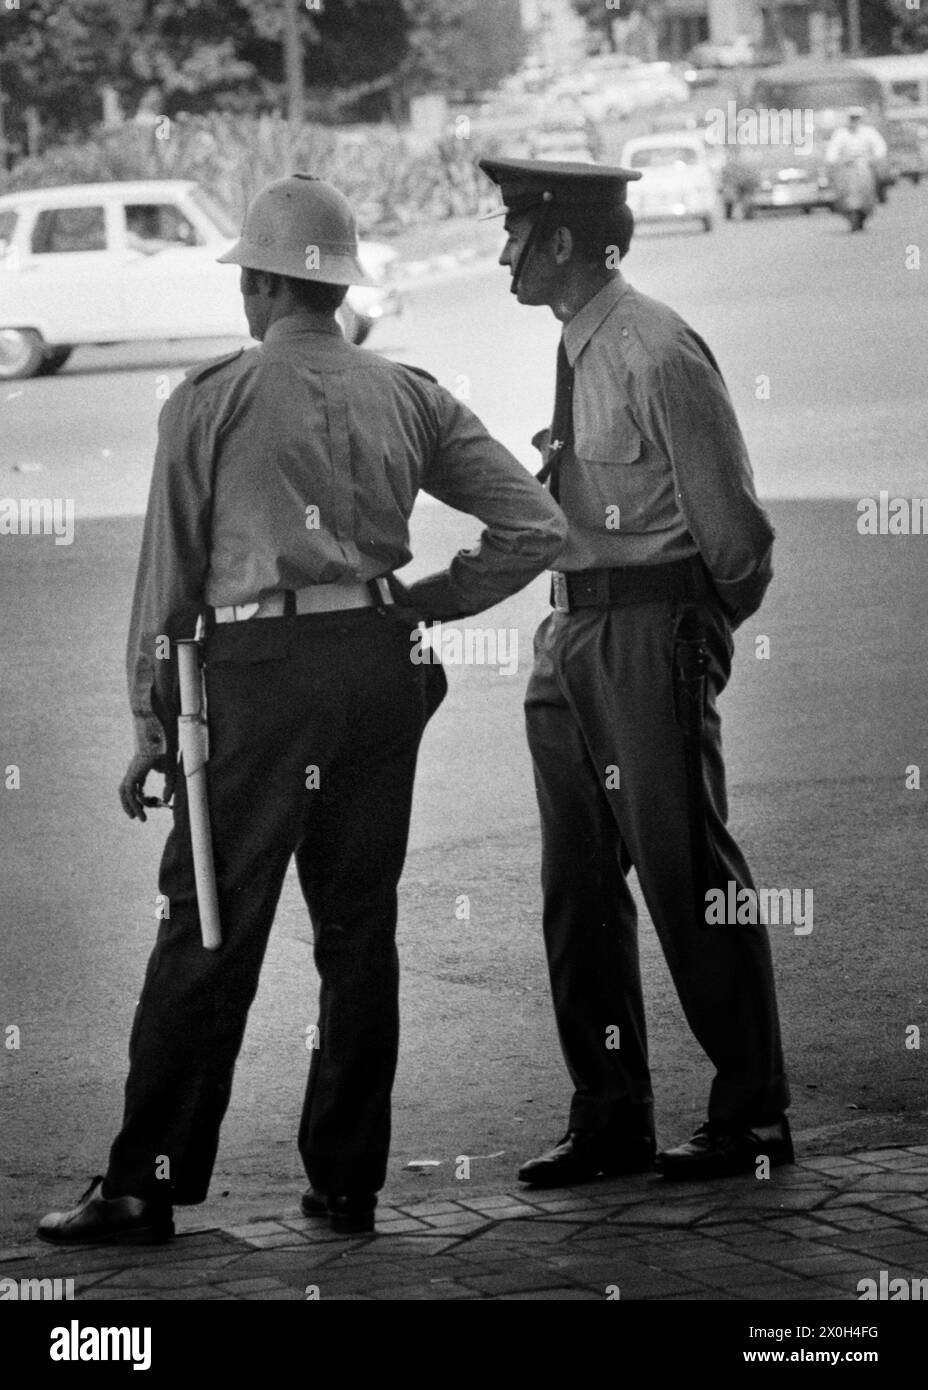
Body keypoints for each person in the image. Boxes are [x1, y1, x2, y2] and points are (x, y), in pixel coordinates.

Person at [37, 174, 567, 1243]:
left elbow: (165, 580)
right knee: (357, 933)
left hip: (259, 673)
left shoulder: (210, 396)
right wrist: (417, 601)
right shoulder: (409, 390)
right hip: (378, 665)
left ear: (269, 284)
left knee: (208, 924)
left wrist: (150, 727)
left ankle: (143, 1184)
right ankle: (347, 1183)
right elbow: (534, 524)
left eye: (248, 280)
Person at [477, 156, 791, 1186]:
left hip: (645, 634)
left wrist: (686, 643)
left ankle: (751, 1116)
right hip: (570, 637)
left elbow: (736, 537)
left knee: (687, 873)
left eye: (514, 231)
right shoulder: (582, 343)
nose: (503, 251)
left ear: (562, 240)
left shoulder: (654, 350)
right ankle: (609, 1116)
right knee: (577, 893)